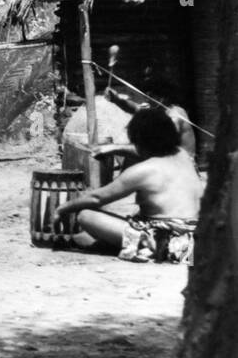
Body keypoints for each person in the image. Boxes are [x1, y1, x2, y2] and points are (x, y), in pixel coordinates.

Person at [54, 107, 202, 263]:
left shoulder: (143, 171)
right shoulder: (184, 155)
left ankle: (146, 244)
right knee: (85, 237)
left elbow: (97, 198)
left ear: (139, 142)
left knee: (86, 216)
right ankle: (121, 242)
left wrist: (62, 208)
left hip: (169, 242)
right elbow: (146, 150)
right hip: (197, 237)